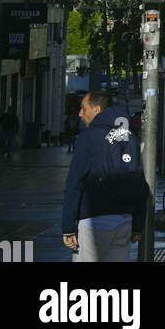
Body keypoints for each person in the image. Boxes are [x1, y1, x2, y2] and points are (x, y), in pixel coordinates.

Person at [62, 92, 147, 263]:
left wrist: (68, 227)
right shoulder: (129, 137)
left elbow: (74, 182)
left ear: (97, 109)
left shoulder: (88, 137)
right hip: (124, 221)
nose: (80, 114)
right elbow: (139, 182)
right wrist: (137, 225)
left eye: (83, 108)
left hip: (94, 220)